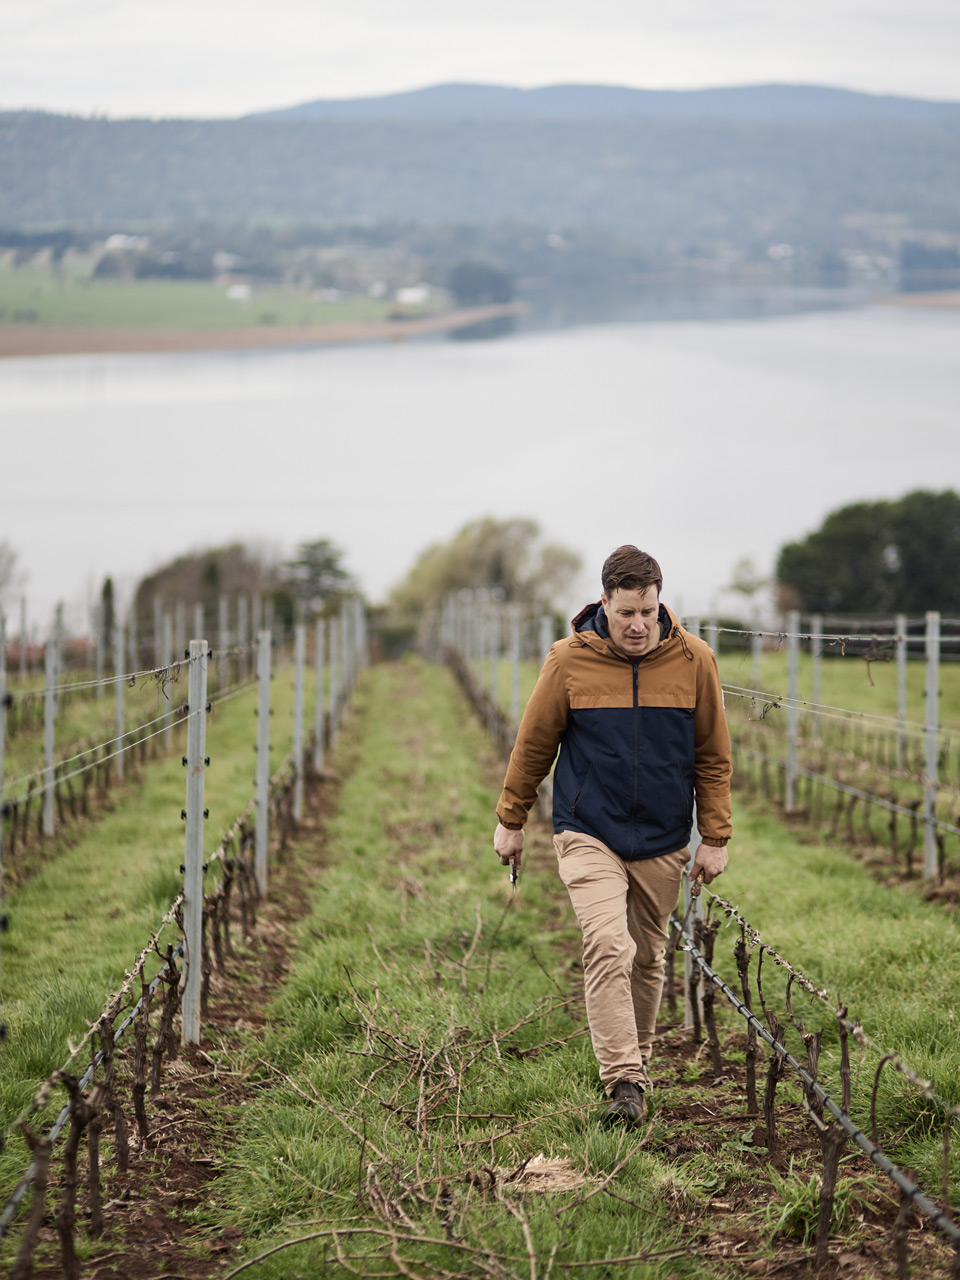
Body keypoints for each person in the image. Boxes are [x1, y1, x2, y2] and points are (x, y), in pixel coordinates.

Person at [493, 545, 732, 1123]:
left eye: (648, 612)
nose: (638, 625)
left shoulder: (695, 660)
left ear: (659, 603)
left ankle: (637, 1065)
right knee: (608, 944)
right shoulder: (568, 660)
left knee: (648, 957)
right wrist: (511, 819)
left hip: (663, 835)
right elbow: (534, 744)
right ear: (604, 602)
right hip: (588, 829)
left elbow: (713, 754)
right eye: (626, 612)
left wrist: (715, 835)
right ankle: (623, 1081)